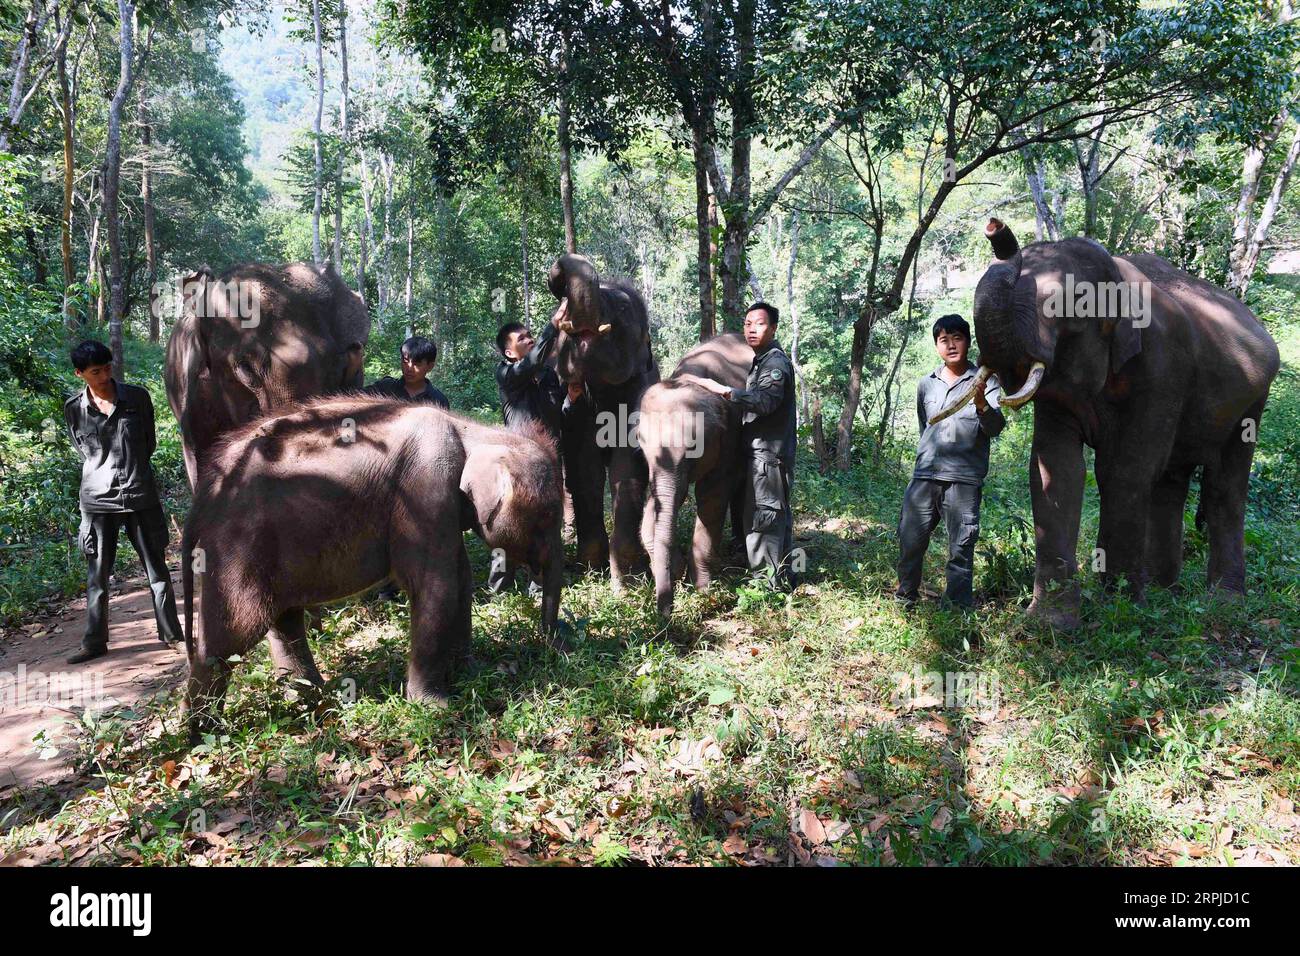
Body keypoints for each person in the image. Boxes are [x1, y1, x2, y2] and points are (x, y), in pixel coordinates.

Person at [62, 340, 183, 664]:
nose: (104, 376)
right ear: (80, 373)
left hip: (140, 496)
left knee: (157, 572)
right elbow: (82, 449)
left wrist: (130, 470)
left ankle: (172, 636)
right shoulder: (74, 407)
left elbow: (149, 443)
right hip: (98, 503)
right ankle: (94, 643)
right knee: (97, 578)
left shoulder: (137, 398)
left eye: (107, 368)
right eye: (95, 371)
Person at [895, 313, 1005, 609]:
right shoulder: (926, 384)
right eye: (944, 340)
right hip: (924, 476)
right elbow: (925, 427)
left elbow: (995, 428)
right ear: (936, 346)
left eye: (957, 338)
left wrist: (981, 402)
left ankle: (956, 609)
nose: (951, 345)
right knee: (910, 539)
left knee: (961, 548)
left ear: (968, 342)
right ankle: (905, 597)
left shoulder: (986, 380)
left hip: (964, 480)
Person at [695, 302, 798, 590]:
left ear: (774, 328)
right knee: (772, 517)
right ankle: (782, 578)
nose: (752, 329)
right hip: (762, 455)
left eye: (760, 323)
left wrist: (724, 391)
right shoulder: (761, 360)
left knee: (764, 519)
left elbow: (765, 402)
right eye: (748, 323)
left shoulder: (775, 364)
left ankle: (767, 588)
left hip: (769, 457)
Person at [491, 301, 588, 594]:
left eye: (531, 334)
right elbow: (532, 361)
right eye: (522, 338)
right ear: (509, 352)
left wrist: (571, 398)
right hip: (517, 463)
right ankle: (500, 590)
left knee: (546, 524)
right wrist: (553, 325)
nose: (530, 339)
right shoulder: (507, 375)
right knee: (506, 526)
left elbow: (562, 415)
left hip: (549, 463)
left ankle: (538, 586)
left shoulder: (549, 377)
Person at [364, 335, 449, 408]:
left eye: (417, 364)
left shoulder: (439, 400)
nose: (409, 368)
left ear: (430, 366)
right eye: (405, 361)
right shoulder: (385, 387)